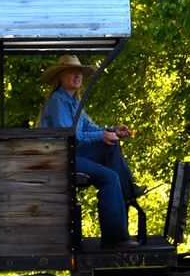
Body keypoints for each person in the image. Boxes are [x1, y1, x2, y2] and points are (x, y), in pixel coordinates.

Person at [38, 55, 143, 247]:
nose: (78, 75)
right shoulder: (58, 101)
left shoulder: (73, 102)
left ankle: (127, 191)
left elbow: (90, 128)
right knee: (110, 177)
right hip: (60, 158)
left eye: (80, 72)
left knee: (111, 143)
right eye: (72, 71)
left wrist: (112, 131)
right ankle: (115, 237)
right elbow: (69, 136)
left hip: (72, 154)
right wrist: (102, 136)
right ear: (61, 75)